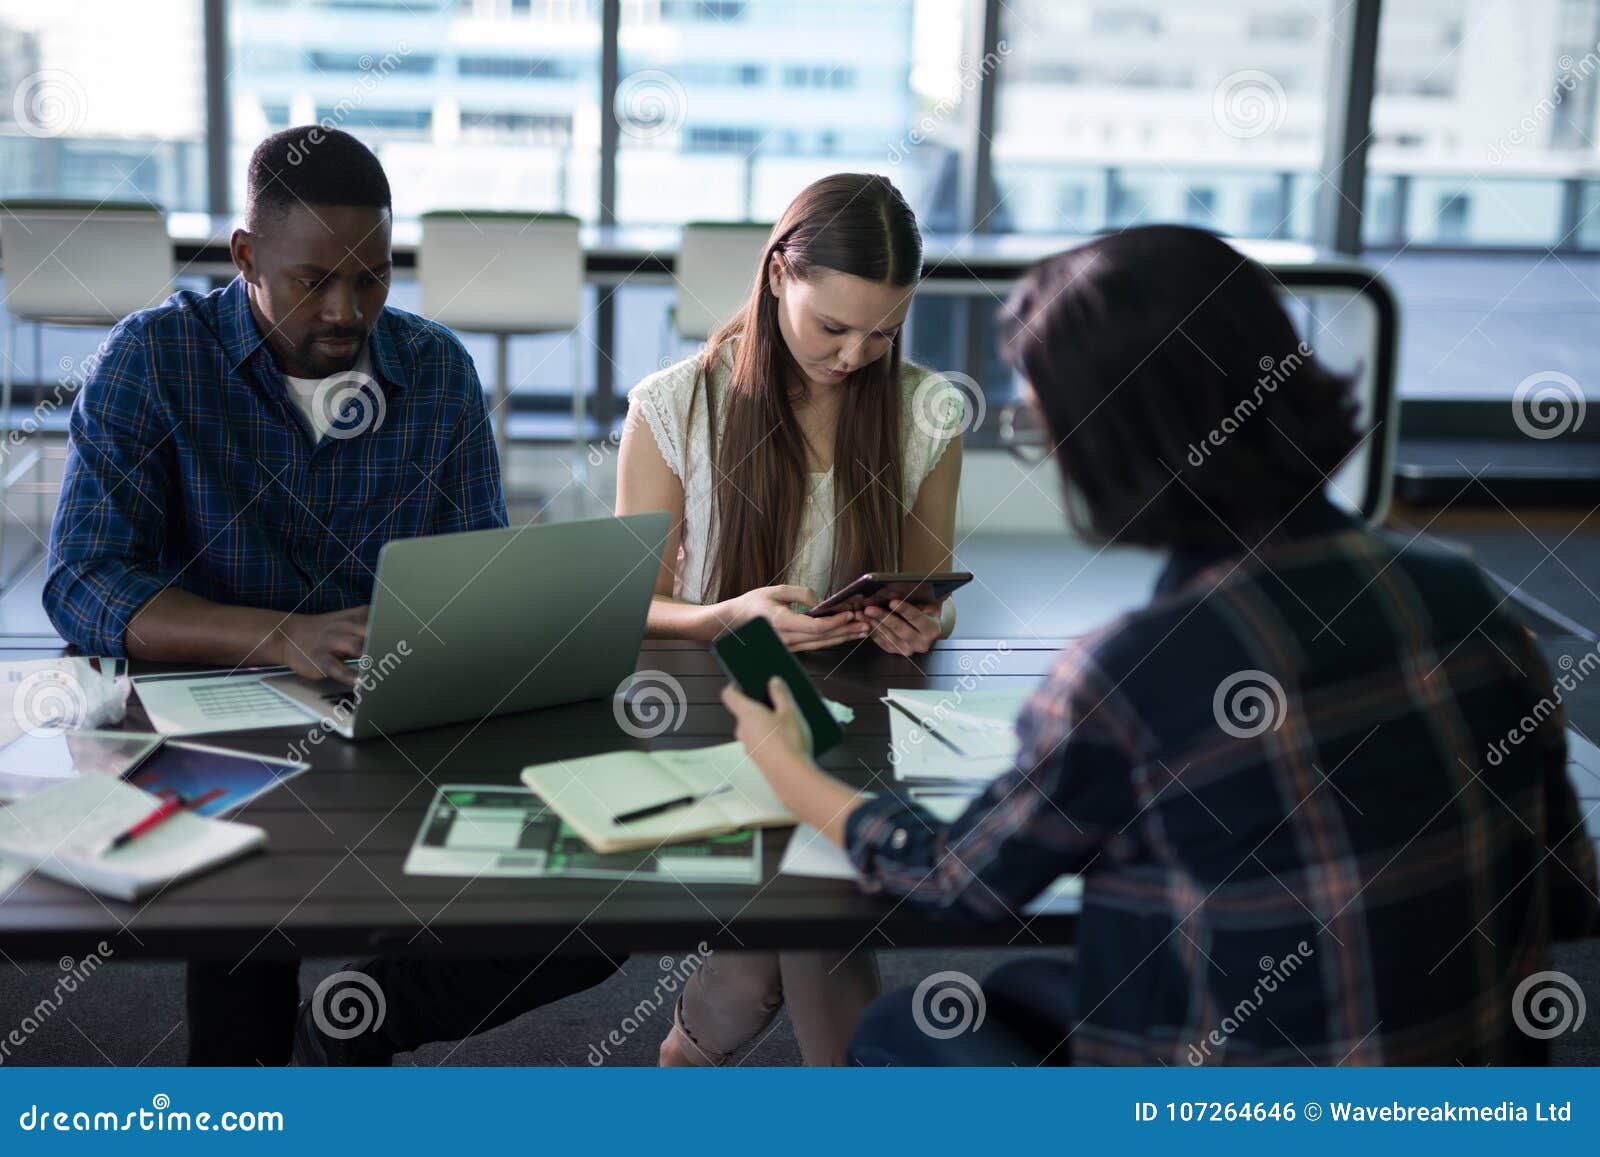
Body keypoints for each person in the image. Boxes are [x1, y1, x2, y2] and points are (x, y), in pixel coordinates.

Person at [717, 224, 1600, 1065]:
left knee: (903, 1025)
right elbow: (1567, 889)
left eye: (1047, 425)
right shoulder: (1465, 595)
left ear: (1111, 443)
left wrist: (791, 769)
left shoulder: (1134, 671)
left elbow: (957, 883)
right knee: (1029, 989)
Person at [44, 126, 616, 1065]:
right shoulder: (152, 358)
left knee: (598, 913)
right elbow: (84, 580)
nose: (348, 310)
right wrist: (279, 635)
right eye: (314, 280)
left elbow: (478, 577)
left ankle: (355, 1021)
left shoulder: (435, 371)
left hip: (389, 725)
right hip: (211, 732)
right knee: (243, 965)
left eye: (373, 278)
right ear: (245, 257)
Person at [615, 173, 966, 1064]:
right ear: (778, 275)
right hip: (713, 712)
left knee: (773, 951)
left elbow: (929, 588)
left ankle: (684, 1059)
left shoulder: (926, 409)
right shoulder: (674, 404)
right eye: (833, 327)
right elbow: (627, 607)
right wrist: (725, 617)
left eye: (881, 333)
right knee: (813, 926)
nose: (854, 355)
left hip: (860, 722)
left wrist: (924, 621)